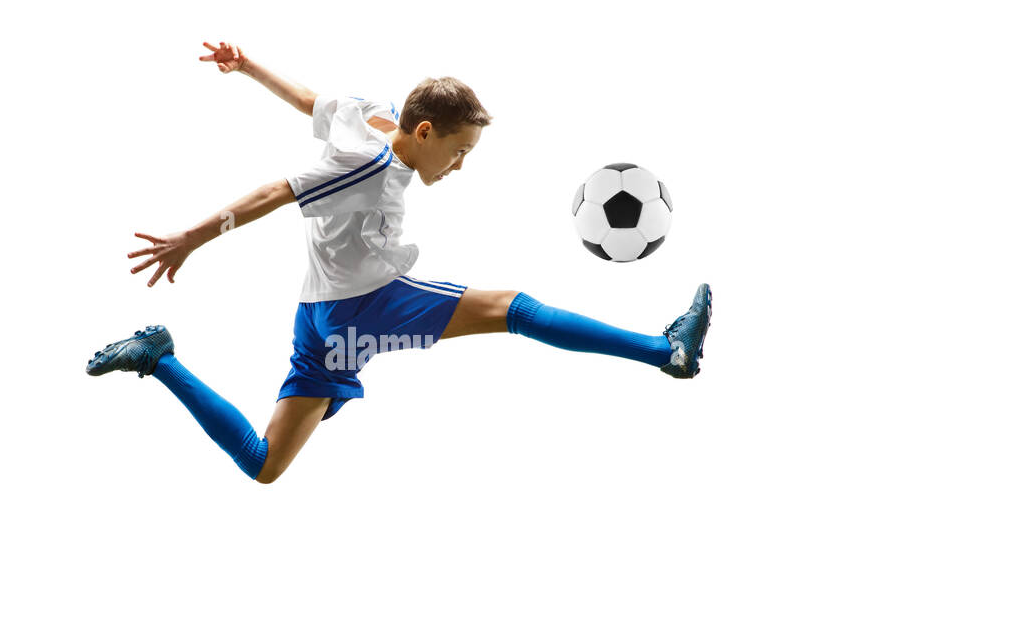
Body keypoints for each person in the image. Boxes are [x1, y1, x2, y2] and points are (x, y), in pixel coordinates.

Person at [87, 41, 711, 483]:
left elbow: (313, 102)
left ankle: (158, 357)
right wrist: (190, 239)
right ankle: (665, 352)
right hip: (370, 302)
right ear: (425, 132)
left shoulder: (375, 118)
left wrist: (249, 68)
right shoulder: (367, 167)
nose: (459, 164)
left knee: (265, 464)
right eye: (458, 151)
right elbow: (275, 192)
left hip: (320, 313)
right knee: (515, 310)